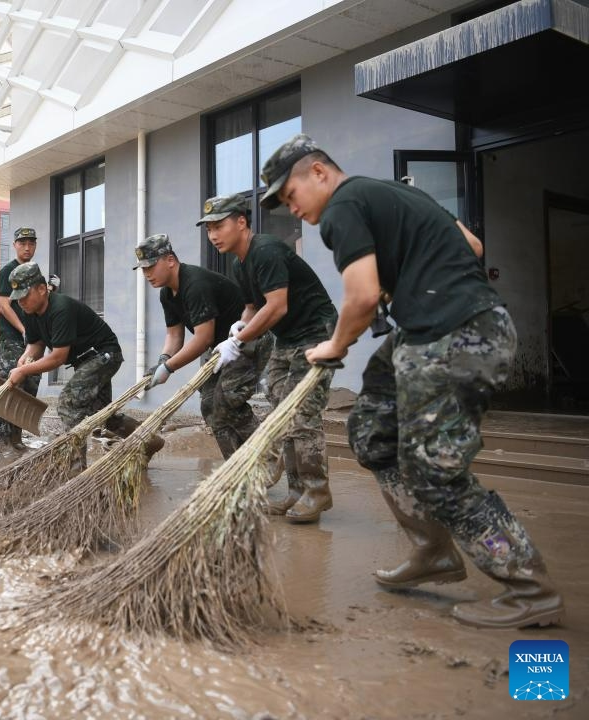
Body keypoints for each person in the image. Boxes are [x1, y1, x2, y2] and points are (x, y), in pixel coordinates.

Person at [261, 133, 563, 628]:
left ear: (319, 173)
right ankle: (432, 549)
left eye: (290, 195)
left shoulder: (343, 206)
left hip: (458, 335)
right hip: (436, 332)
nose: (290, 209)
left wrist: (335, 345)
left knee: (435, 469)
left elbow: (359, 298)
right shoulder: (401, 194)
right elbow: (472, 244)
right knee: (373, 432)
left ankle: (529, 587)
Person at [202, 194, 339, 523]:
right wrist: (240, 325)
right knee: (280, 410)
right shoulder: (239, 263)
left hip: (317, 331)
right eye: (208, 230)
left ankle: (317, 491)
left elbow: (277, 306)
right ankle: (296, 491)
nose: (214, 235)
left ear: (241, 222)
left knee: (300, 411)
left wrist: (239, 339)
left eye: (219, 226)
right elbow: (252, 306)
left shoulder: (265, 250)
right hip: (288, 336)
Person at [5, 262, 163, 467]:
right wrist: (24, 358)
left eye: (25, 296)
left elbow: (58, 358)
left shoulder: (60, 309)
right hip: (85, 361)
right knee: (104, 416)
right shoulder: (30, 312)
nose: (21, 302)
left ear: (42, 289)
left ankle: (75, 468)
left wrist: (23, 370)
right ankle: (149, 441)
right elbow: (37, 342)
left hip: (103, 355)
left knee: (69, 404)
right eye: (17, 298)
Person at [133, 233, 266, 461]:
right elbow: (174, 334)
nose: (146, 275)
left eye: (151, 267)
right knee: (209, 406)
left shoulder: (195, 284)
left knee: (226, 400)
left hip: (248, 340)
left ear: (170, 260)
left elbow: (203, 338)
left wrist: (169, 368)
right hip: (219, 348)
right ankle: (236, 465)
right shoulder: (167, 293)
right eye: (143, 270)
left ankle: (265, 455)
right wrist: (163, 360)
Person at [0, 227, 41, 452]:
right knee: (10, 386)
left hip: (33, 342)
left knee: (28, 389)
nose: (27, 247)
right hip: (12, 340)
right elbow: (3, 305)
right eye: (22, 243)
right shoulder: (8, 271)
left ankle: (18, 438)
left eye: (31, 243)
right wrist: (23, 329)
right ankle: (5, 440)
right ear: (14, 245)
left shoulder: (36, 273)